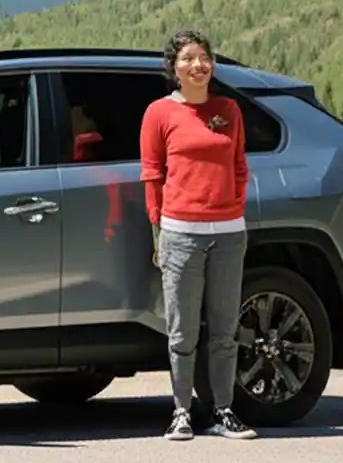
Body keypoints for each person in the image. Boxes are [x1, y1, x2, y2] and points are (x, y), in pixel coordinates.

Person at [139, 30, 258, 442]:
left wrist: (234, 205)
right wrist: (158, 231)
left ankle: (224, 410)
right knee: (182, 331)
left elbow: (239, 164)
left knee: (224, 331)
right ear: (174, 68)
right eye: (188, 58)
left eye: (204, 57)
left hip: (228, 233)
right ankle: (181, 412)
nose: (198, 64)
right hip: (180, 234)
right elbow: (152, 175)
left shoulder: (228, 110)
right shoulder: (158, 114)